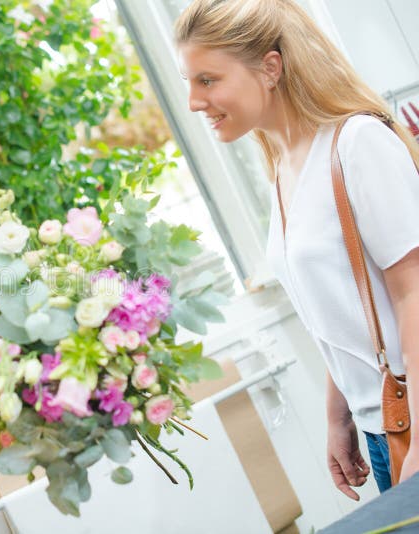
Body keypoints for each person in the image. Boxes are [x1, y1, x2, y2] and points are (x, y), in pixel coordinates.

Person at [175, 0, 419, 499]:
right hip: (380, 425)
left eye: (207, 80)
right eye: (189, 83)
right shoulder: (285, 165)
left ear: (270, 67)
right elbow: (338, 311)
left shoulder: (357, 143)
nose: (194, 103)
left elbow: (412, 292)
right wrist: (338, 416)